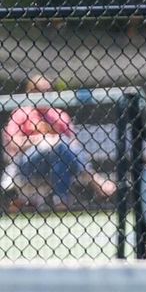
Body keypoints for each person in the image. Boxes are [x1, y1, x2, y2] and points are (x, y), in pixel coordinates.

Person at [2, 76, 116, 213]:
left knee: (60, 150)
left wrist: (54, 143)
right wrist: (42, 140)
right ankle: (93, 179)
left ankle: (61, 201)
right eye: (40, 91)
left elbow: (74, 145)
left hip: (59, 163)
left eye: (48, 90)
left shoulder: (59, 115)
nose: (45, 94)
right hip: (27, 166)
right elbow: (13, 144)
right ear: (30, 92)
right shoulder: (21, 114)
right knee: (57, 145)